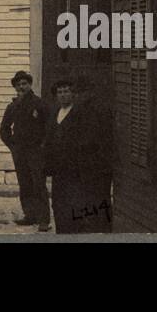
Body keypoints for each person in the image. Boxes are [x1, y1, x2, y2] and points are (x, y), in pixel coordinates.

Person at [44, 78, 113, 233]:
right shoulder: (54, 112)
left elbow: (86, 141)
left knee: (74, 204)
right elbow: (48, 139)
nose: (63, 95)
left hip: (75, 170)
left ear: (73, 94)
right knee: (58, 203)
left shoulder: (80, 113)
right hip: (58, 169)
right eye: (59, 92)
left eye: (66, 91)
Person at [0, 70, 50, 229]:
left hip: (36, 152)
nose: (21, 87)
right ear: (15, 87)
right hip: (20, 152)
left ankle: (43, 219)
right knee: (25, 183)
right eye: (18, 84)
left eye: (24, 84)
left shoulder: (39, 104)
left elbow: (49, 128)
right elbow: (4, 129)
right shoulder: (13, 106)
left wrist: (43, 146)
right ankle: (30, 215)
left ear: (30, 84)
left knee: (38, 184)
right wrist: (13, 146)